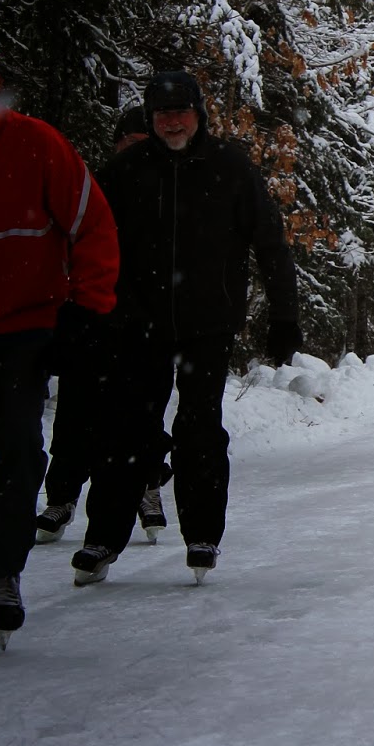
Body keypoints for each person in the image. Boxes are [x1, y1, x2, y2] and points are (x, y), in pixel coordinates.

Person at [71, 69, 302, 587]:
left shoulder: (230, 168)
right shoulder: (127, 171)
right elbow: (92, 246)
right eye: (162, 114)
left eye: (181, 112)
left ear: (198, 115)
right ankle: (103, 538)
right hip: (136, 325)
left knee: (198, 429)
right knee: (126, 430)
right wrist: (86, 314)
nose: (172, 122)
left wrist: (284, 316)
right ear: (151, 120)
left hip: (207, 324)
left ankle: (201, 535)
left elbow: (271, 245)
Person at [0, 48, 119, 648]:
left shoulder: (37, 145)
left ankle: (1, 572)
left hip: (24, 328)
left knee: (18, 447)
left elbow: (92, 224)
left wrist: (86, 310)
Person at [36, 106, 172, 545]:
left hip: (149, 319)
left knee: (144, 408)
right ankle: (61, 496)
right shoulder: (91, 186)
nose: (133, 152)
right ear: (116, 145)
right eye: (127, 143)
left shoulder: (171, 190)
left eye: (142, 143)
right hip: (92, 312)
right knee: (77, 408)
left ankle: (147, 487)